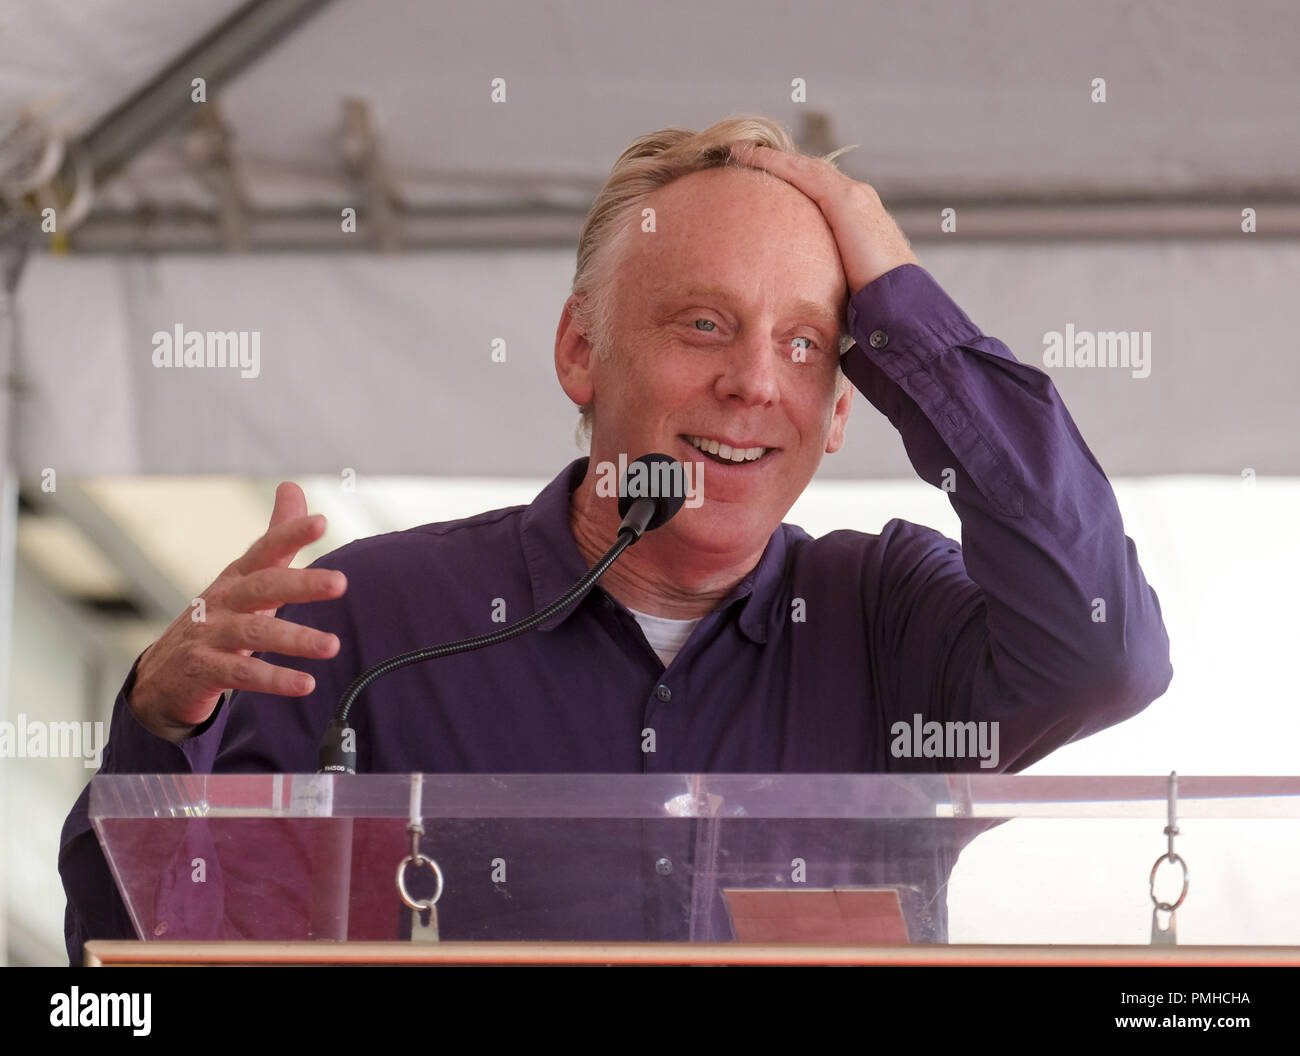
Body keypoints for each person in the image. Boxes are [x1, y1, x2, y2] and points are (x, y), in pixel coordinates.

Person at [58, 115, 1172, 963]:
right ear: (580, 352)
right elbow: (150, 966)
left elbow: (1105, 653)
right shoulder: (367, 625)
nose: (752, 382)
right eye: (705, 324)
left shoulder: (891, 620)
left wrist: (901, 303)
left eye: (805, 345)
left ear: (843, 407)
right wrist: (163, 725)